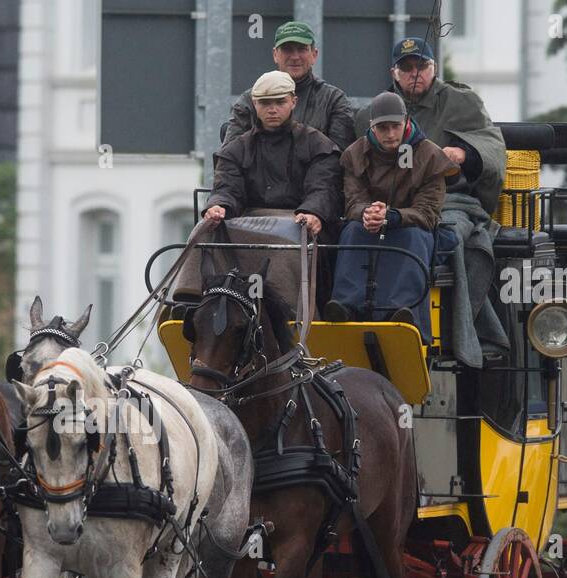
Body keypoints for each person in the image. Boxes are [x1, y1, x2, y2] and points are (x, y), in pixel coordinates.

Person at [354, 37, 509, 366]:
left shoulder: (461, 101)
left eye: (421, 66)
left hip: (452, 201)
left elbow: (494, 147)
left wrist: (465, 153)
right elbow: (354, 163)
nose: (414, 74)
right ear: (393, 73)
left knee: (448, 236)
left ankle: (450, 329)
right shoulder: (371, 112)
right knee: (351, 233)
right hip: (391, 205)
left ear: (433, 68)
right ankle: (351, 312)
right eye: (406, 68)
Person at [325, 92, 456, 341]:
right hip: (371, 224)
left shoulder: (429, 155)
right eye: (382, 128)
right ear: (371, 128)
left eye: (395, 126)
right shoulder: (356, 154)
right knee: (352, 230)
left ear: (406, 122)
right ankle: (345, 307)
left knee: (413, 235)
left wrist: (393, 216)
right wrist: (367, 213)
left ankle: (403, 312)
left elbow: (428, 212)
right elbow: (352, 199)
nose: (390, 134)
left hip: (412, 226)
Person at [203, 70, 342, 246]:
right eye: (265, 103)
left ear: (293, 102)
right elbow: (227, 188)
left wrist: (313, 212)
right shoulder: (235, 150)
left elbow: (322, 188)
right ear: (254, 104)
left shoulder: (319, 146)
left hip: (300, 221)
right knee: (204, 232)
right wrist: (218, 206)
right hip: (248, 221)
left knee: (292, 238)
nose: (272, 109)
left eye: (280, 102)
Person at [224, 21, 355, 154]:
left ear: (314, 55)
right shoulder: (249, 100)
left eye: (302, 49)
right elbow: (229, 158)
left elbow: (339, 158)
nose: (295, 57)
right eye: (287, 49)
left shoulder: (334, 100)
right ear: (275, 54)